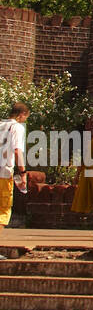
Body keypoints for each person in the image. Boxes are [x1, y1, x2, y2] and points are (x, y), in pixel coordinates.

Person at [0, 103, 30, 257]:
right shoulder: (17, 128)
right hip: (4, 172)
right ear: (21, 115)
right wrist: (23, 172)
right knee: (3, 208)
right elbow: (17, 150)